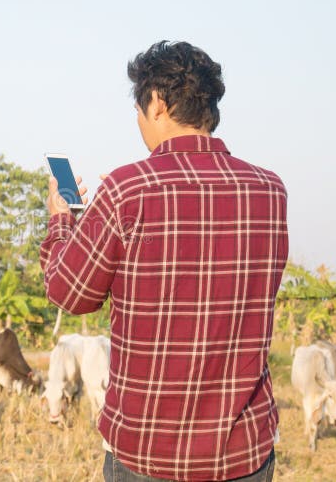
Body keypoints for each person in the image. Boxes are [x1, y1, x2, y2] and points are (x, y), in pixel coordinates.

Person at [40, 41, 287, 481]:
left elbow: (69, 292)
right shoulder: (270, 191)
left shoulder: (126, 190)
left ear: (156, 103)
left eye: (138, 111)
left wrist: (64, 222)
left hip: (149, 453)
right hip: (243, 451)